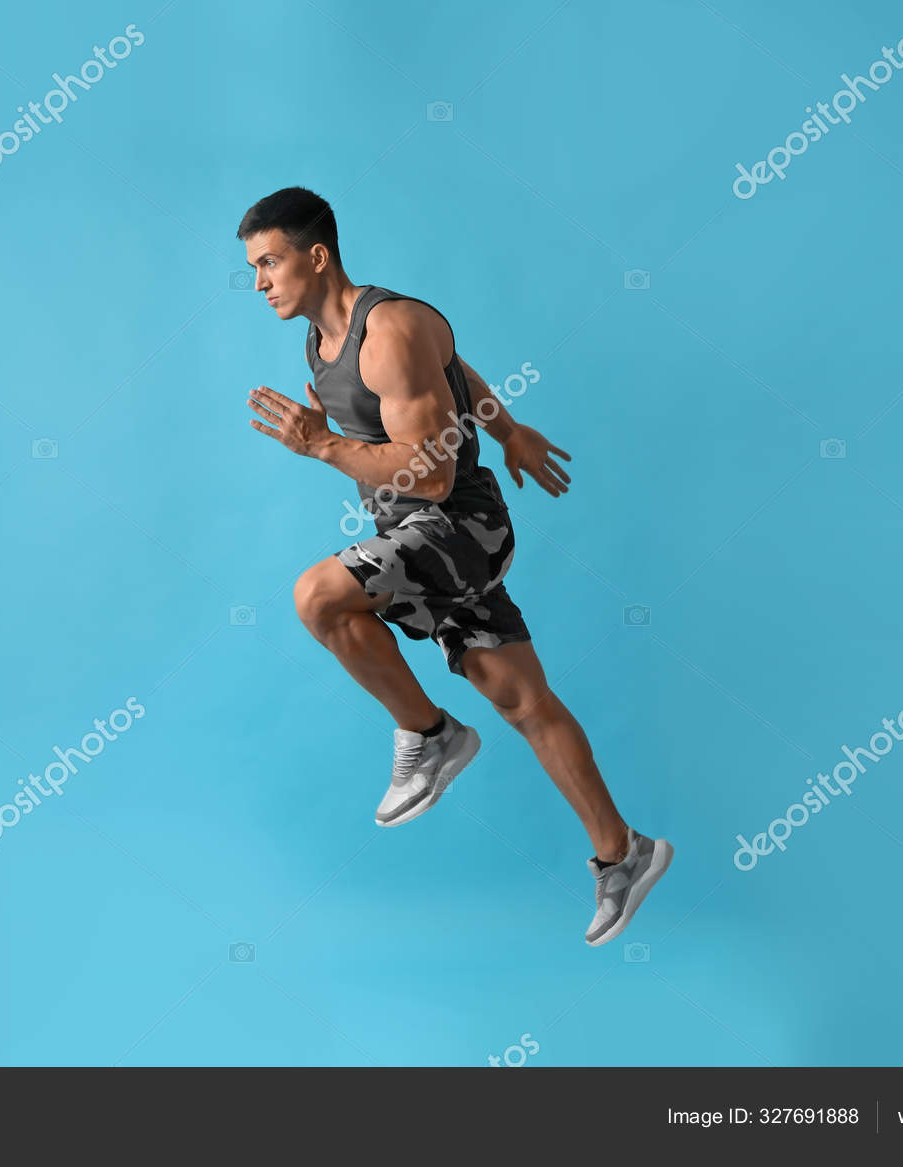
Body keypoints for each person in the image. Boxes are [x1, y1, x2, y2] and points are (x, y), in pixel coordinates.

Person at [238, 186, 671, 947]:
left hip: (456, 525)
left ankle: (430, 735)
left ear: (317, 254)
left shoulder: (389, 327)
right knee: (521, 698)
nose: (261, 281)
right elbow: (456, 372)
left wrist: (322, 445)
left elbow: (434, 476)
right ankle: (624, 852)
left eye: (270, 262)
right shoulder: (323, 338)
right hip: (412, 531)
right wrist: (511, 430)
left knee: (320, 597)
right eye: (253, 268)